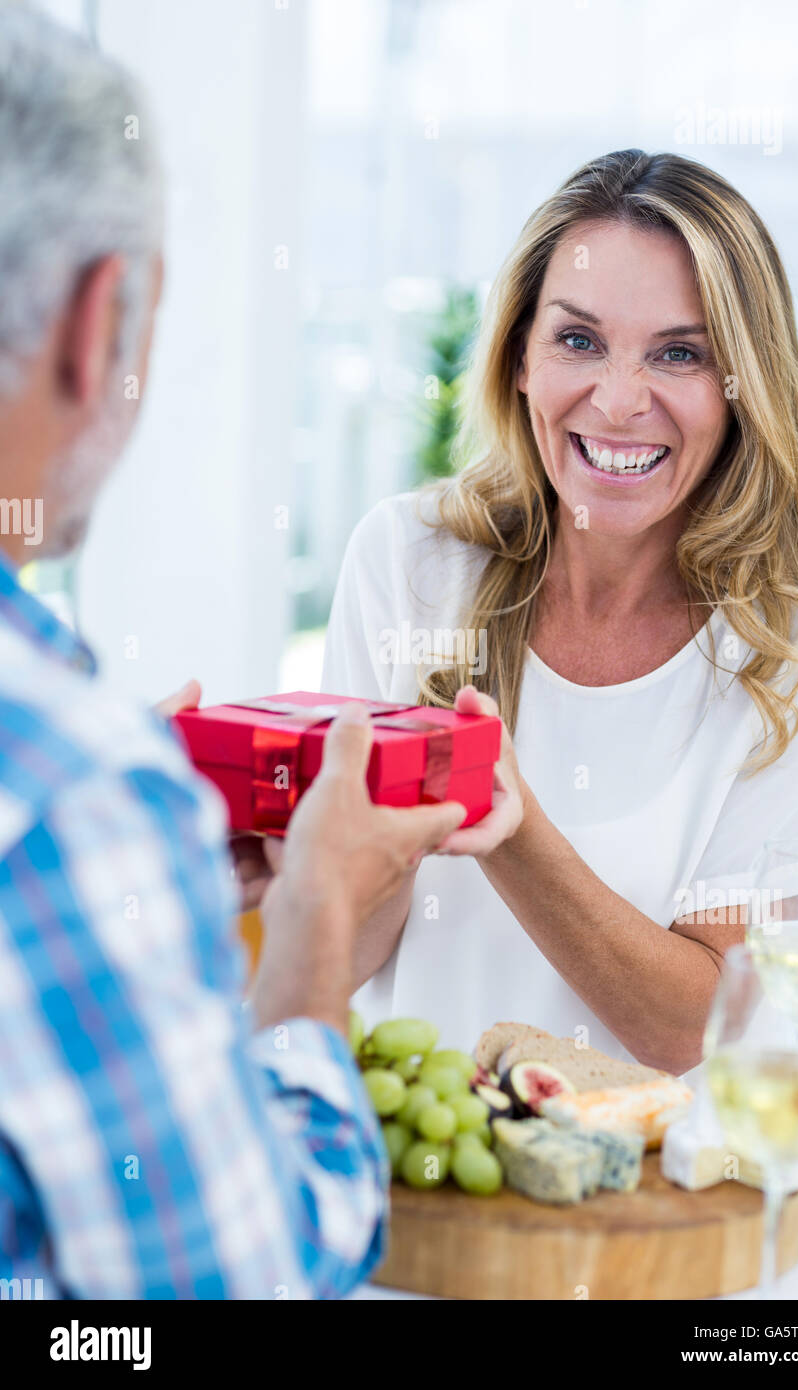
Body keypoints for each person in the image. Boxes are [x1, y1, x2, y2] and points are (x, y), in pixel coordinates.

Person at [0, 8, 520, 1299]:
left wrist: (130, 882)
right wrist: (311, 926)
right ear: (100, 324)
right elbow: (242, 1281)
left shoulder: (76, 784)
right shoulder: (72, 789)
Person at [324, 148, 798, 1081]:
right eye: (578, 340)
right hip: (430, 1160)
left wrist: (510, 824)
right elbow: (348, 949)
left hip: (654, 1175)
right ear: (519, 359)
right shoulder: (408, 563)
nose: (617, 403)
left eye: (680, 353)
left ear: (744, 384)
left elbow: (696, 1027)